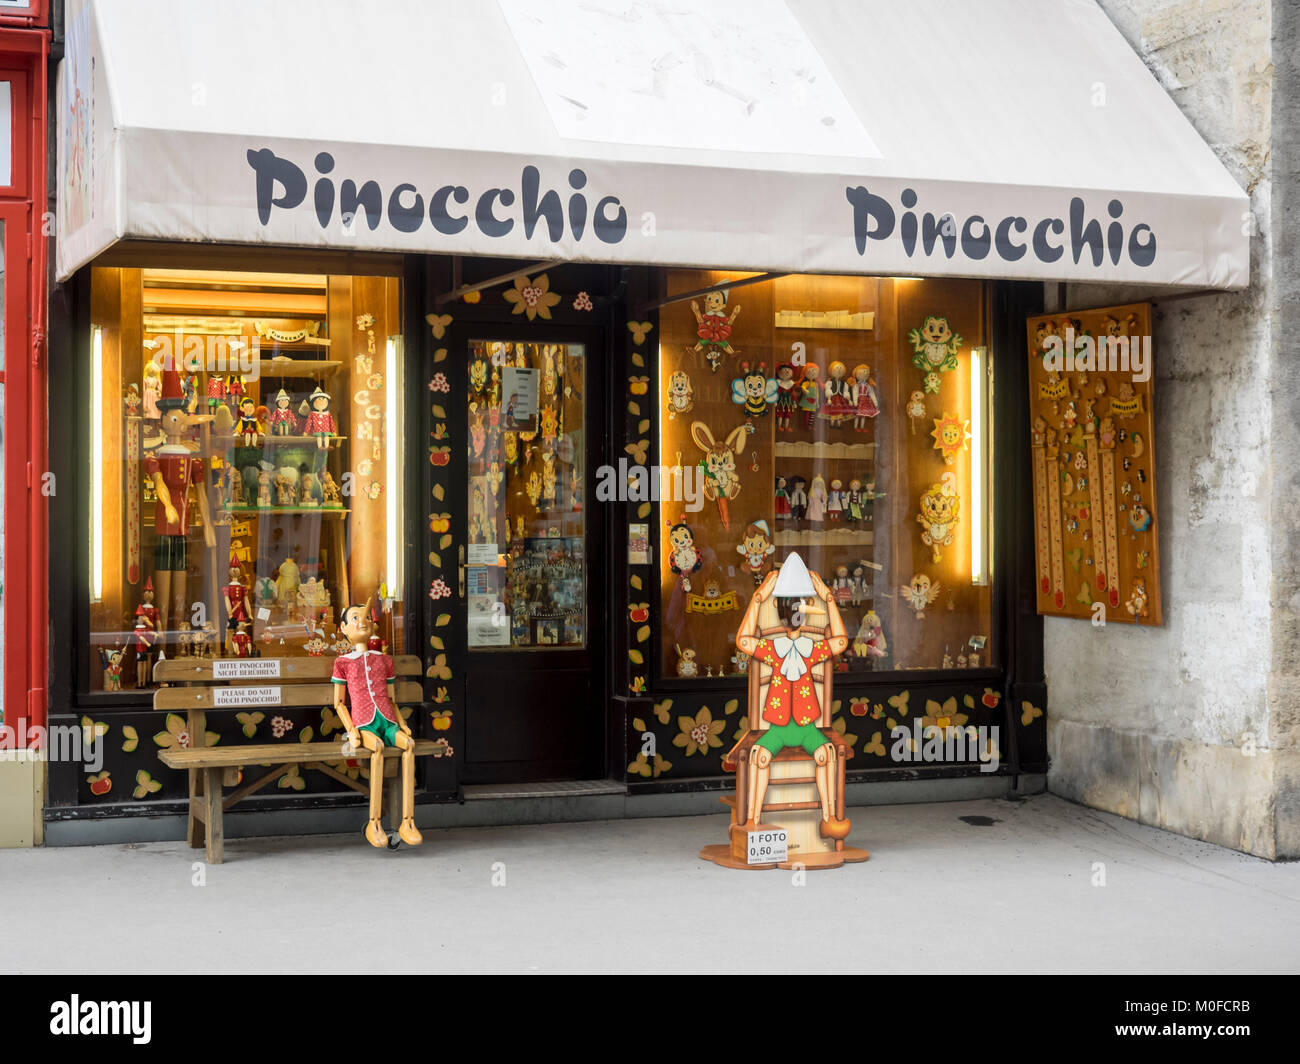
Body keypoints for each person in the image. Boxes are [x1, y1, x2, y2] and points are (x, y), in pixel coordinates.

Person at [332, 599, 423, 848]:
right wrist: (352, 731)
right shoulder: (343, 662)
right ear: (343, 628)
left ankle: (408, 821)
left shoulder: (384, 660)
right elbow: (339, 703)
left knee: (409, 745)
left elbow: (391, 699)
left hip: (388, 720)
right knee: (379, 749)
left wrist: (402, 724)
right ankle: (374, 822)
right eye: (354, 618)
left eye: (366, 618)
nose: (362, 622)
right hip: (364, 723)